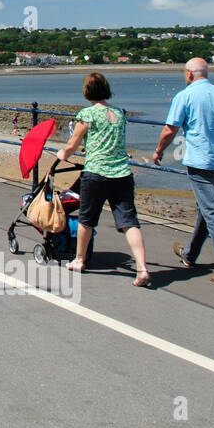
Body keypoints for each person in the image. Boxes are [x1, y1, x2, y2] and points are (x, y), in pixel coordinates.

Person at [151, 58, 214, 284]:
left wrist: (158, 151)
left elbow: (169, 129)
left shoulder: (185, 96)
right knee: (208, 208)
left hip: (201, 162)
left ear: (189, 74)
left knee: (213, 211)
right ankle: (190, 254)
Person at [55, 72, 150, 287]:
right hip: (122, 174)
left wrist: (62, 155)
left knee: (87, 219)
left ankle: (79, 259)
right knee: (129, 221)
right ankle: (142, 267)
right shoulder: (119, 113)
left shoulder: (87, 114)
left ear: (87, 91)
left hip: (96, 173)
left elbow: (72, 144)